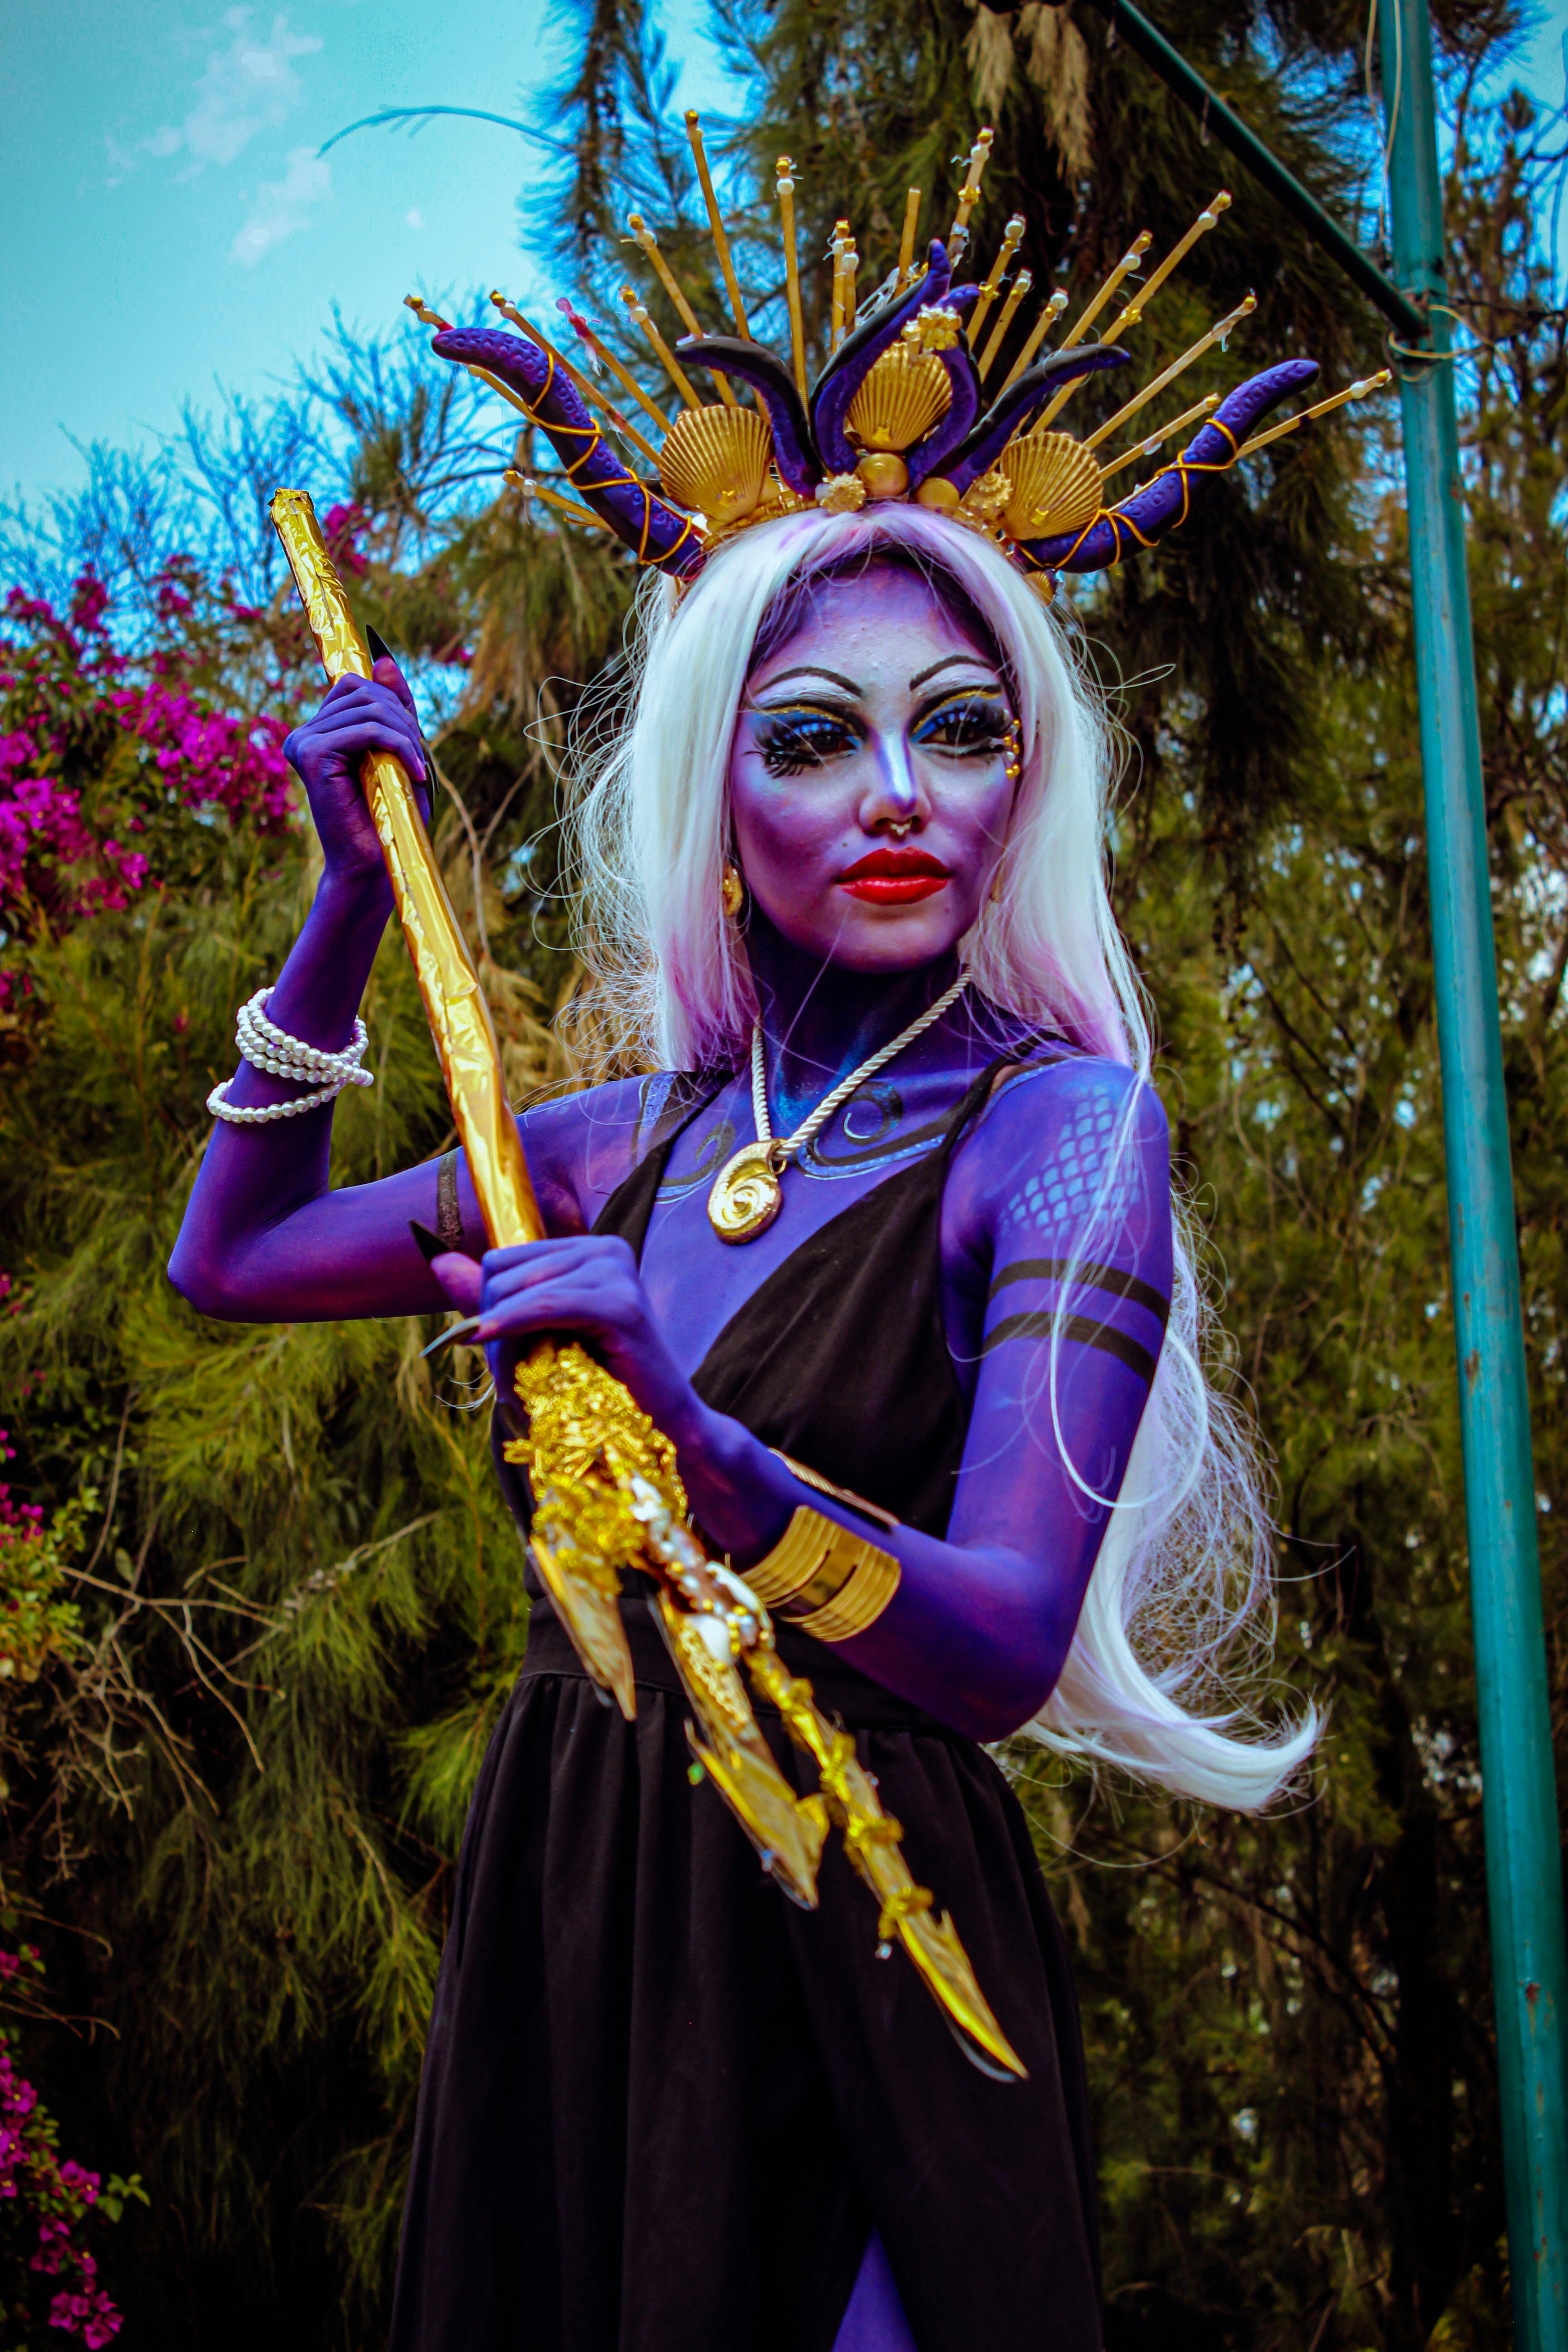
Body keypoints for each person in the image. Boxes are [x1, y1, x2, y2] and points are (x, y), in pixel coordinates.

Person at [170, 227, 1322, 2351]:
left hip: (871, 1943)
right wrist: (346, 908)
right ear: (716, 790)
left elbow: (989, 1651)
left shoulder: (1064, 1132)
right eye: (816, 738)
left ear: (1024, 790)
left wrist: (693, 1447)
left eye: (959, 730)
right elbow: (228, 1256)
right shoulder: (623, 1144)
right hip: (577, 1925)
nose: (897, 793)